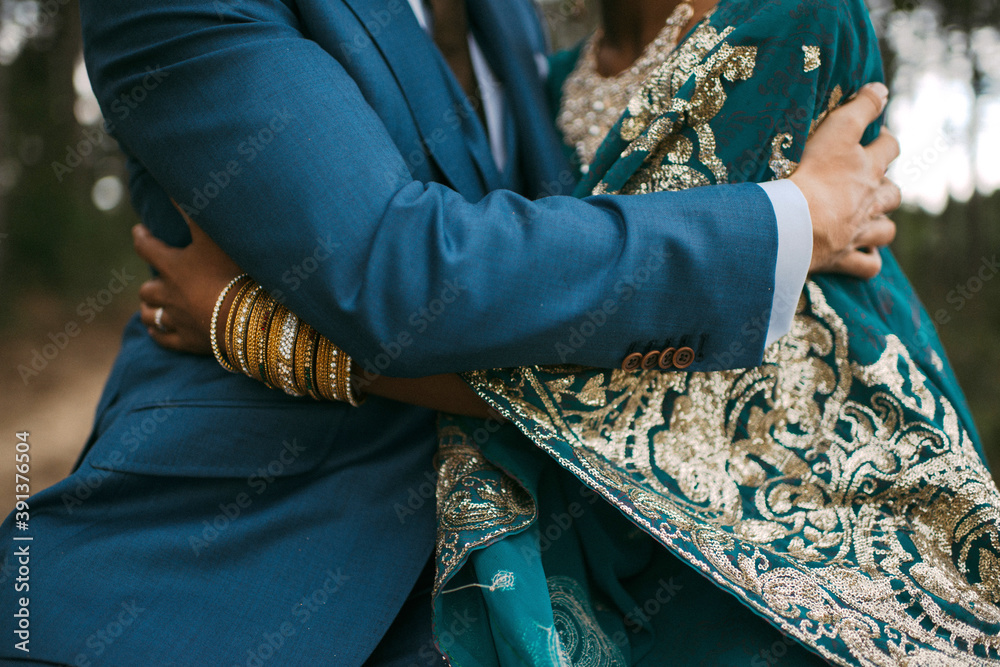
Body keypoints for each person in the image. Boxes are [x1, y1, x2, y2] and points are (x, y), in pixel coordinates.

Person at [0, 0, 900, 664]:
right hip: (243, 546)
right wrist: (781, 225)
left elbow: (558, 288)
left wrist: (249, 322)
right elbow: (394, 266)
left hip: (539, 542)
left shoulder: (509, 16)